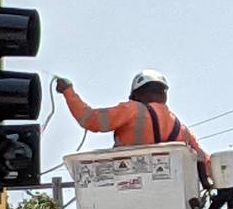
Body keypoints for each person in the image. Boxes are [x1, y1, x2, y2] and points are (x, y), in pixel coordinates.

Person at [54, 69, 210, 176]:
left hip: (126, 184)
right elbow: (205, 160)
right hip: (170, 196)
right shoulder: (180, 128)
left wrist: (68, 91)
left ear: (137, 95)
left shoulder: (132, 110)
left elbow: (90, 120)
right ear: (164, 96)